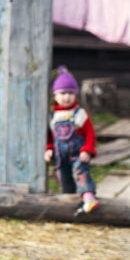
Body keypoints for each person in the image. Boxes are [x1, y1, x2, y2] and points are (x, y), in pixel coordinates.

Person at [44, 66, 99, 214]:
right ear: (55, 96)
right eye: (62, 93)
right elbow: (50, 135)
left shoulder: (79, 114)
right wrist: (49, 148)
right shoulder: (52, 116)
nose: (66, 97)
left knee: (80, 172)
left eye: (70, 93)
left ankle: (89, 198)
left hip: (77, 154)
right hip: (60, 156)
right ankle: (68, 202)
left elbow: (90, 133)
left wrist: (87, 149)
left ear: (75, 95)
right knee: (63, 176)